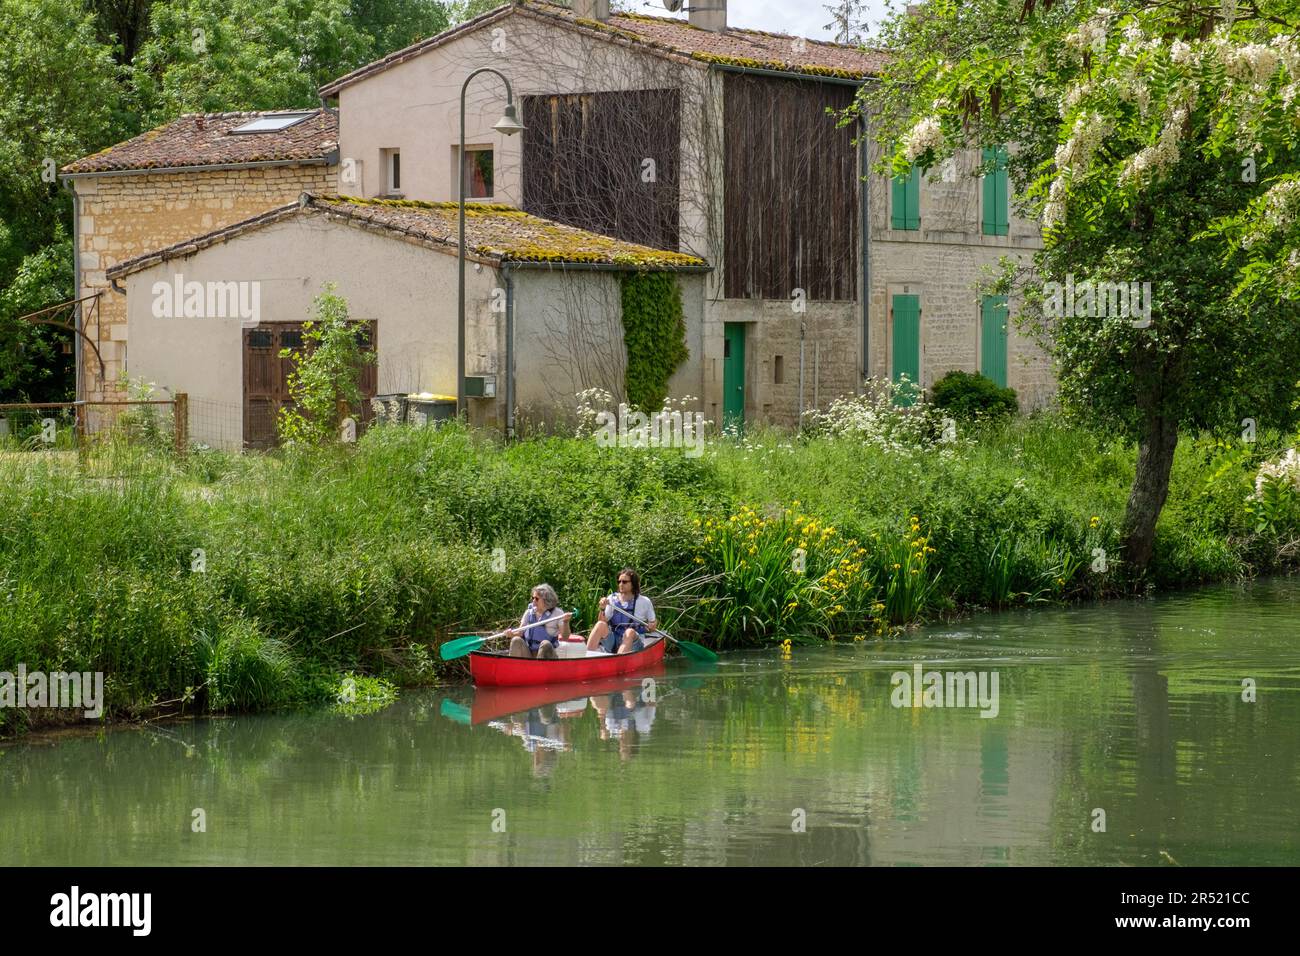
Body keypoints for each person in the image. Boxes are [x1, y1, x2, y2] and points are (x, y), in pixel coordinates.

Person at [586, 568, 655, 655]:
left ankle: (618, 662)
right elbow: (602, 621)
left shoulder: (644, 601)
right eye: (619, 582)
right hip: (614, 640)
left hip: (634, 643)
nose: (621, 584)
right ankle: (586, 657)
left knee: (629, 632)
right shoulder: (611, 599)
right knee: (600, 625)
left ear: (633, 584)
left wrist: (651, 626)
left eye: (625, 582)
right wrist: (602, 608)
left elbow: (653, 623)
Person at [508, 584, 569, 659]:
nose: (533, 601)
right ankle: (514, 669)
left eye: (536, 599)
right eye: (532, 598)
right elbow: (520, 633)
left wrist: (566, 622)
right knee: (516, 640)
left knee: (545, 644)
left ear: (546, 599)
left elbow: (565, 637)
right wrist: (511, 634)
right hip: (529, 654)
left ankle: (540, 669)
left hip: (547, 656)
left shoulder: (557, 613)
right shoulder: (529, 612)